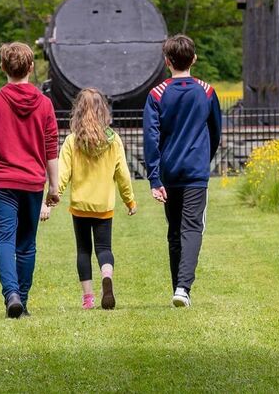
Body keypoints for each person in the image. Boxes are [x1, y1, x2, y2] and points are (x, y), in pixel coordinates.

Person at [0, 42, 61, 319]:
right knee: (27, 244)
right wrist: (55, 186)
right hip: (32, 183)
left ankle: (11, 294)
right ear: (31, 67)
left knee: (4, 238)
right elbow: (51, 148)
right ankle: (22, 302)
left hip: (2, 182)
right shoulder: (45, 105)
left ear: (3, 67)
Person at [142, 34, 222, 308]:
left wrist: (154, 177)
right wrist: (204, 159)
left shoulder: (156, 94)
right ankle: (183, 287)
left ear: (167, 62)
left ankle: (178, 286)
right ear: (194, 59)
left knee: (174, 231)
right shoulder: (207, 92)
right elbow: (215, 131)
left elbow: (151, 138)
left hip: (170, 172)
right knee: (192, 228)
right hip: (196, 172)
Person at [42, 88, 137, 310]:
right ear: (103, 111)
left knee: (83, 250)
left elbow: (62, 175)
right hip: (104, 205)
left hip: (80, 206)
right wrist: (129, 200)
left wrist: (51, 199)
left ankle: (88, 298)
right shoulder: (114, 141)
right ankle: (107, 275)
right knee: (104, 248)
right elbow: (122, 174)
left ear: (78, 111)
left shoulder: (72, 141)